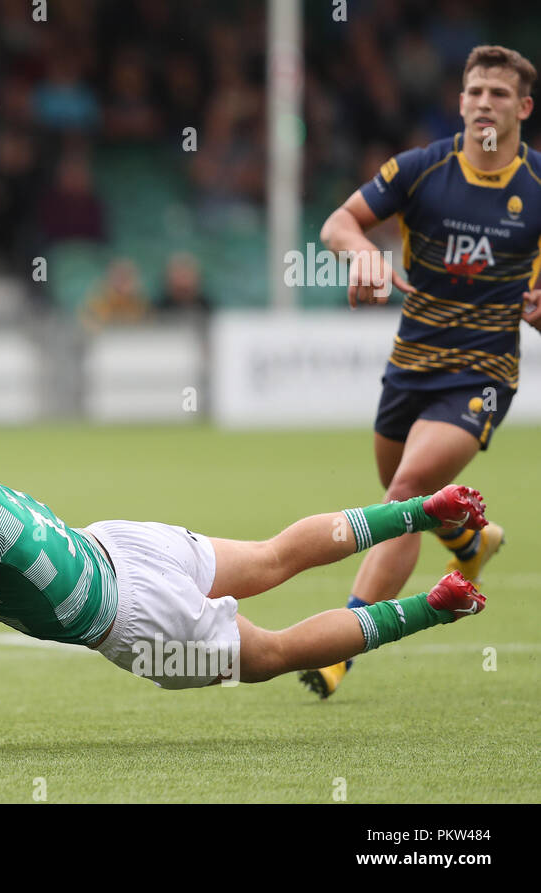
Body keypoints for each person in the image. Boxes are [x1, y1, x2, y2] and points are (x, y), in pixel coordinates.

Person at [0, 401, 488, 739]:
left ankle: (437, 603)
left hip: (134, 619)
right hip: (121, 544)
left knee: (269, 654)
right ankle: (429, 508)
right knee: (274, 555)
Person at [305, 44, 540, 698]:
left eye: (497, 93)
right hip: (409, 367)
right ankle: (469, 537)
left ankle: (341, 646)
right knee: (408, 505)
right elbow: (339, 222)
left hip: (482, 374)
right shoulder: (421, 168)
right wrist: (360, 256)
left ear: (522, 108)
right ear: (460, 100)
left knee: (404, 492)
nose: (483, 103)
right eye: (474, 92)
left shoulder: (538, 189)